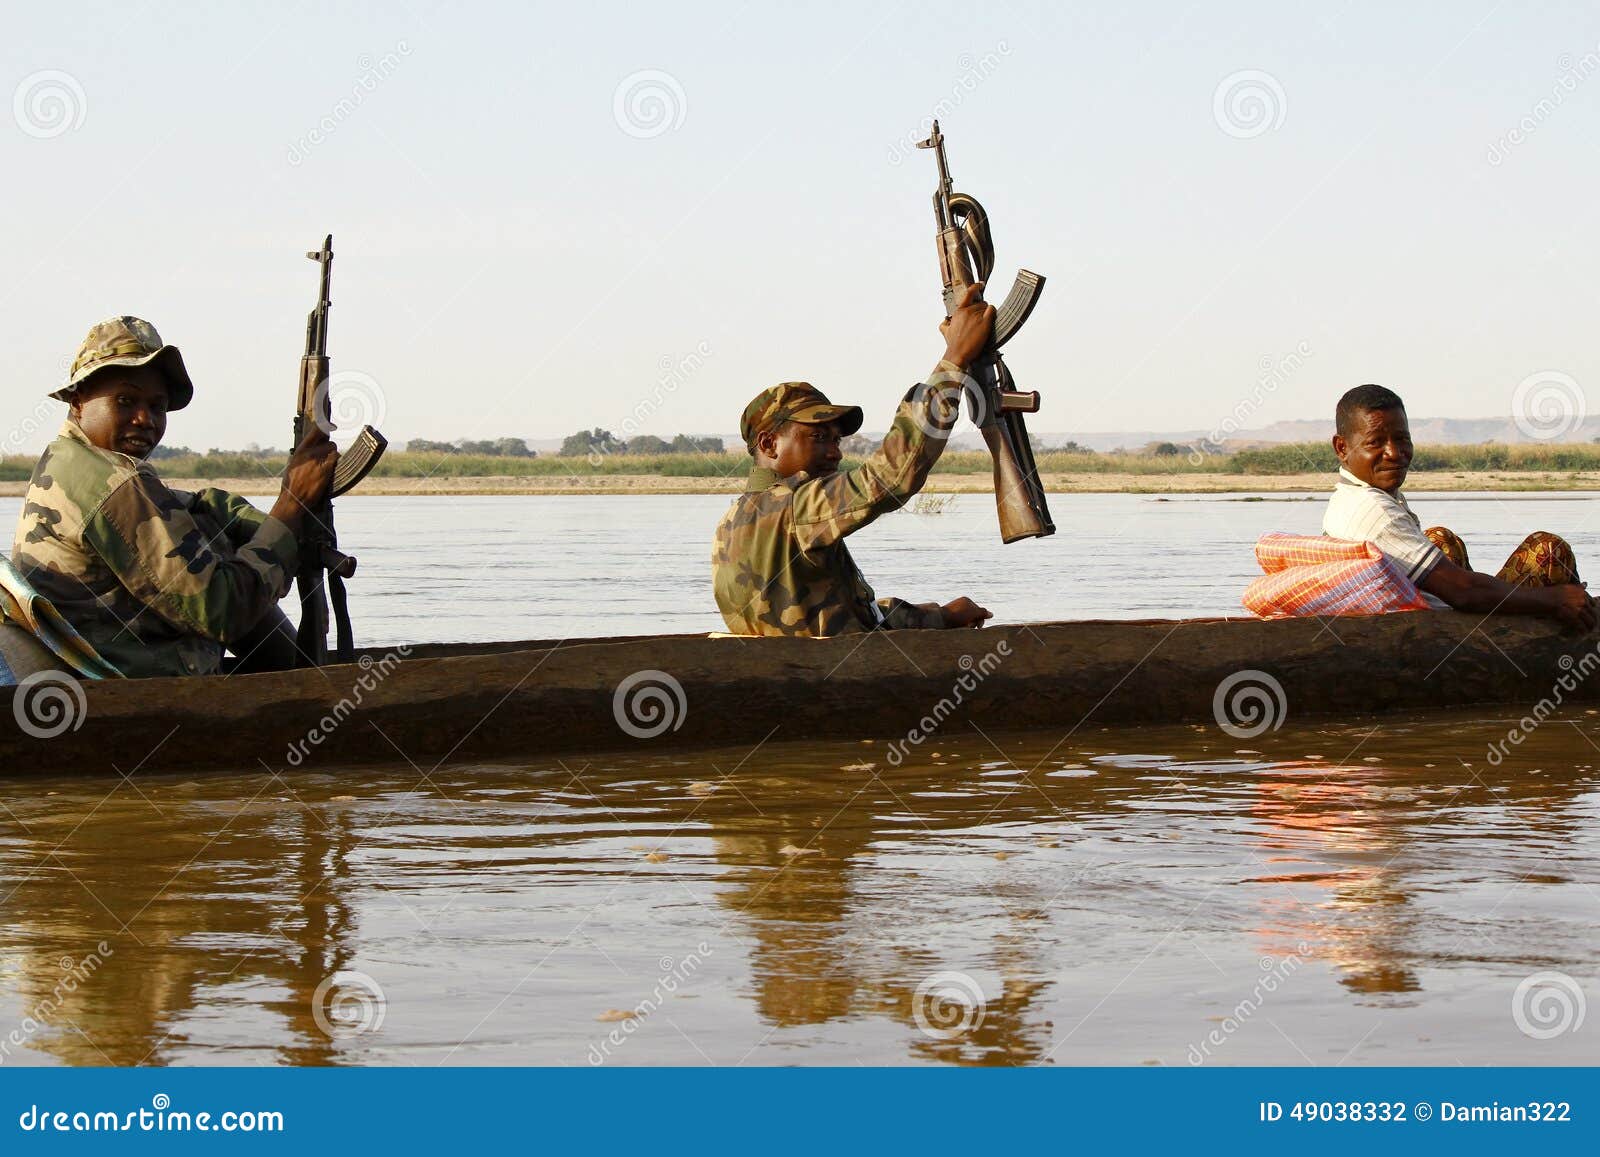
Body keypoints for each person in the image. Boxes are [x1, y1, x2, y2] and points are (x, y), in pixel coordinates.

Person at [11, 315, 338, 677]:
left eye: (156, 406)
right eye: (124, 401)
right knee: (229, 575)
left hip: (105, 662)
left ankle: (300, 684)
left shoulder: (68, 460)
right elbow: (221, 612)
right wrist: (290, 506)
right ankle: (305, 690)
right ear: (78, 401)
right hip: (133, 693)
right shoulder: (115, 485)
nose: (144, 419)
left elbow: (192, 504)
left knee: (209, 530)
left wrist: (278, 532)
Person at [713, 283, 996, 636]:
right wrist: (955, 360)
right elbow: (889, 478)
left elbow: (837, 613)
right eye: (818, 438)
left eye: (836, 439)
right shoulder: (793, 508)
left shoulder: (734, 521)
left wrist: (939, 616)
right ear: (769, 444)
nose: (834, 452)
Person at [1322, 383, 1595, 629]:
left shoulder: (1348, 498)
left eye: (1402, 439)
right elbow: (1463, 592)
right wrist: (1555, 598)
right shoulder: (1373, 511)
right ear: (1342, 448)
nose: (1394, 453)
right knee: (1547, 549)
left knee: (1441, 540)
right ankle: (1576, 622)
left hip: (1427, 610)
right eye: (1375, 442)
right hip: (1442, 628)